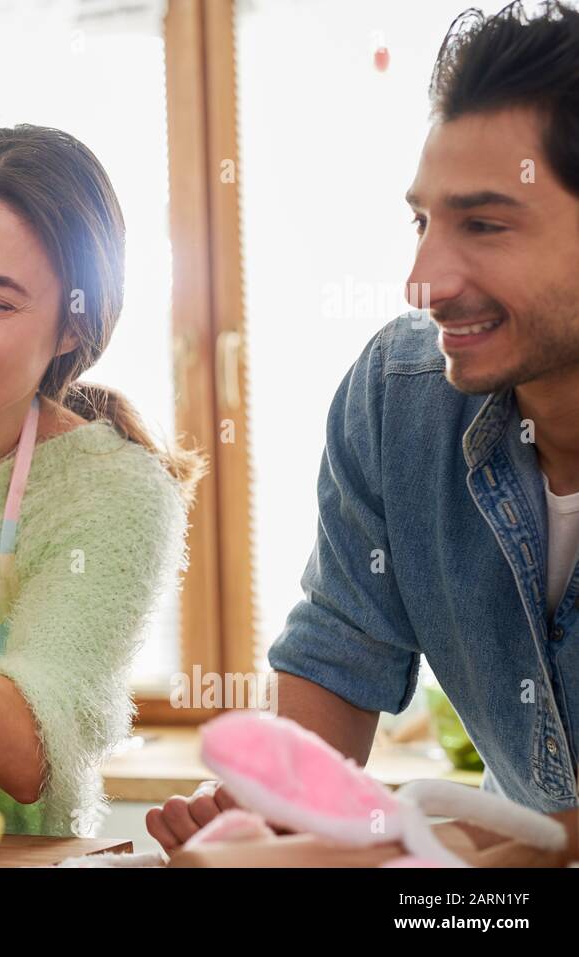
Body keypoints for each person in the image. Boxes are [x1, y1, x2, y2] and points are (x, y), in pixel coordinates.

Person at [147, 1, 579, 854]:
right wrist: (264, 820)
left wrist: (402, 849)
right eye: (423, 222)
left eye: (484, 224)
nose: (423, 281)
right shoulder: (399, 397)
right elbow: (334, 669)